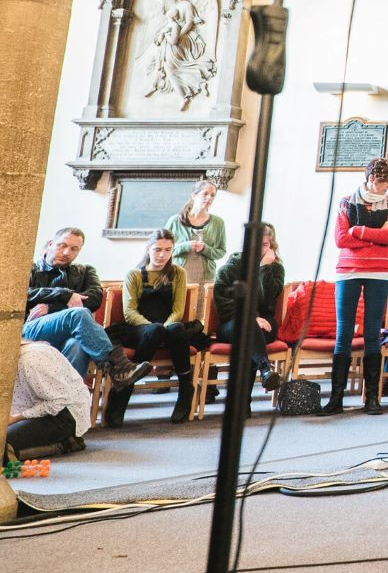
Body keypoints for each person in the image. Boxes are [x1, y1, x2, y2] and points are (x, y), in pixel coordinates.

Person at [319, 157, 388, 416]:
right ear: (370, 179)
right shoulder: (347, 201)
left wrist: (359, 231)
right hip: (348, 272)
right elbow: (341, 239)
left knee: (372, 333)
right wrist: (371, 236)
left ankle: (373, 398)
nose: (385, 188)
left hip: (379, 272)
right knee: (344, 333)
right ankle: (336, 398)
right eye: (381, 183)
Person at [24, 227, 149, 388]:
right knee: (78, 313)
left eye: (74, 249)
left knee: (77, 346)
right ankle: (118, 367)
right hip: (32, 328)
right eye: (62, 245)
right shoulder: (30, 268)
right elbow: (22, 295)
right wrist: (64, 294)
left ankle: (65, 404)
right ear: (50, 244)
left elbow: (95, 298)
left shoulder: (85, 271)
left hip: (72, 333)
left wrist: (52, 307)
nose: (67, 252)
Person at [102, 230, 200, 424]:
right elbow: (130, 312)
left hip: (168, 328)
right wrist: (156, 329)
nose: (162, 255)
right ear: (148, 249)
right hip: (139, 329)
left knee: (177, 328)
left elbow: (178, 310)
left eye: (167, 250)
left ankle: (185, 389)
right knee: (155, 330)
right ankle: (124, 389)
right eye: (157, 250)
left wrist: (164, 328)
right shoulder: (134, 274)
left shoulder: (178, 273)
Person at [213, 225, 286, 393]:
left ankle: (244, 403)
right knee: (248, 329)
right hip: (232, 323)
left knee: (249, 339)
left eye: (265, 244)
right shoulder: (229, 269)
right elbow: (223, 305)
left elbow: (267, 299)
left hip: (265, 323)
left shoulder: (275, 269)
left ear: (271, 246)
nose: (260, 248)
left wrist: (263, 269)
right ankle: (265, 369)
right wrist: (251, 317)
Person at [8, 343, 90, 460]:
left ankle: (65, 443)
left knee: (3, 442)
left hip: (64, 414)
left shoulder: (32, 360)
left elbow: (59, 401)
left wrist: (17, 417)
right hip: (34, 412)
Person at [166, 178, 226, 285]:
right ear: (194, 196)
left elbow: (221, 252)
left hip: (205, 278)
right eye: (205, 194)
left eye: (212, 195)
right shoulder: (174, 221)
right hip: (177, 275)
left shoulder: (218, 223)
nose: (209, 198)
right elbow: (163, 250)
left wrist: (205, 249)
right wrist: (185, 246)